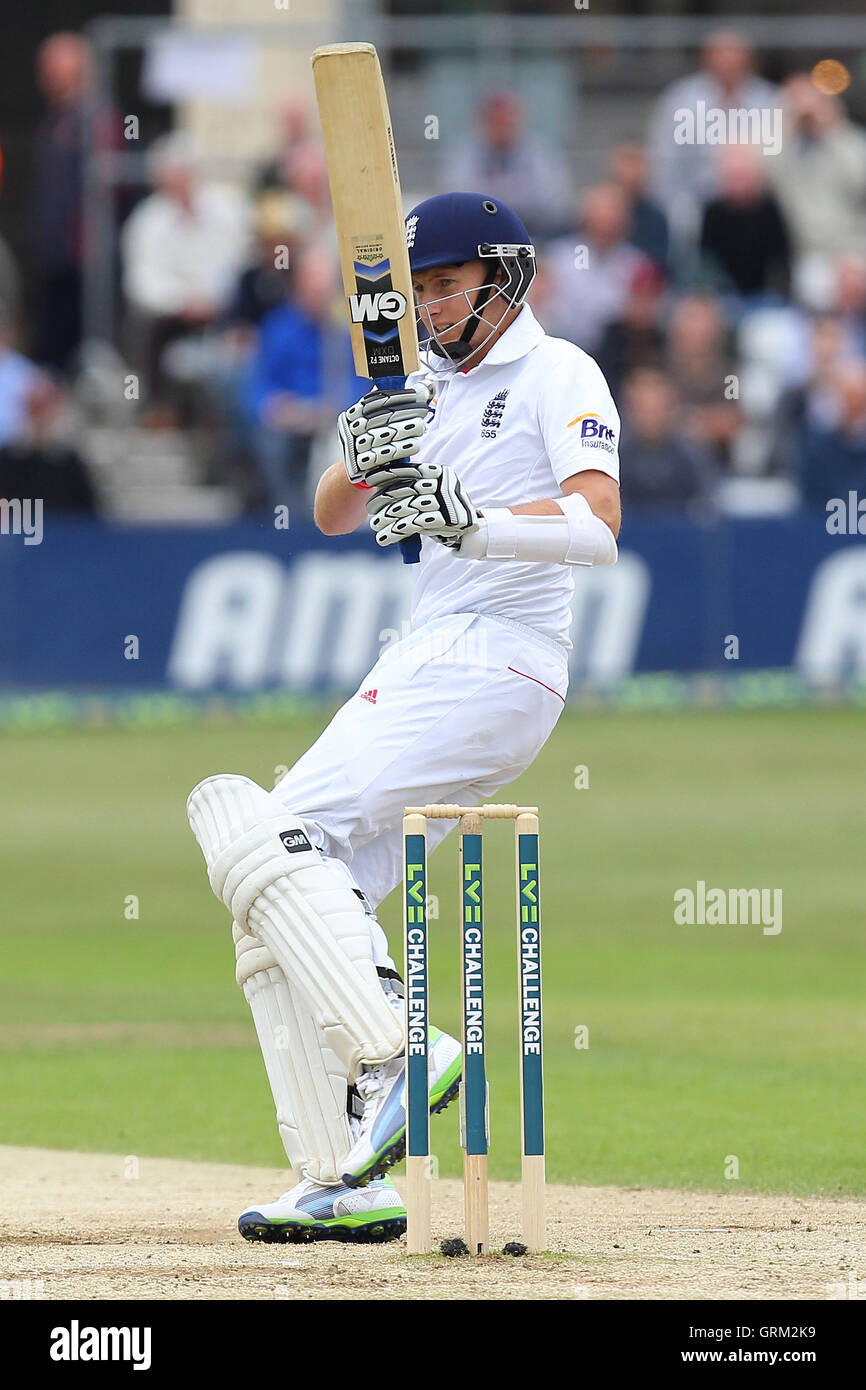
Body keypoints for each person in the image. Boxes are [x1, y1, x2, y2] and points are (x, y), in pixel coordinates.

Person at [187, 193, 621, 1243]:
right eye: (415, 288)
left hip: (498, 659)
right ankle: (343, 1172)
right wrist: (358, 442)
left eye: (444, 283)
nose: (427, 305)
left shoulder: (556, 370)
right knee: (276, 891)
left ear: (501, 277)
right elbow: (336, 511)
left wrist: (473, 522)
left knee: (271, 834)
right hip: (428, 655)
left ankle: (398, 1047)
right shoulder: (424, 383)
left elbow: (599, 521)